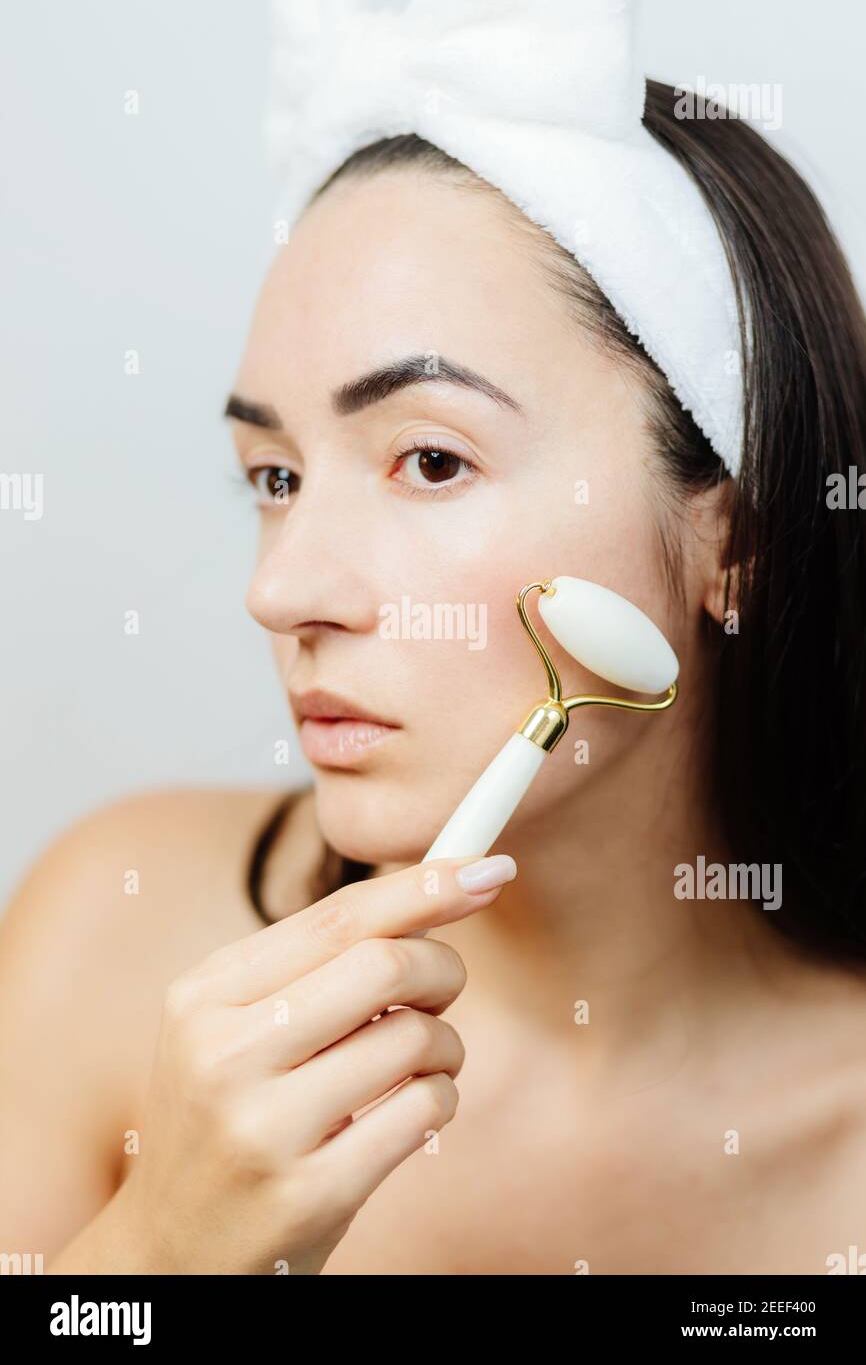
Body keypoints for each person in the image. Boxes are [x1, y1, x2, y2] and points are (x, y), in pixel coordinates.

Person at [2, 80, 866, 1276]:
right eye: (274, 475)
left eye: (429, 457)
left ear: (737, 540)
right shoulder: (112, 930)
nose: (282, 591)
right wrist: (161, 1251)